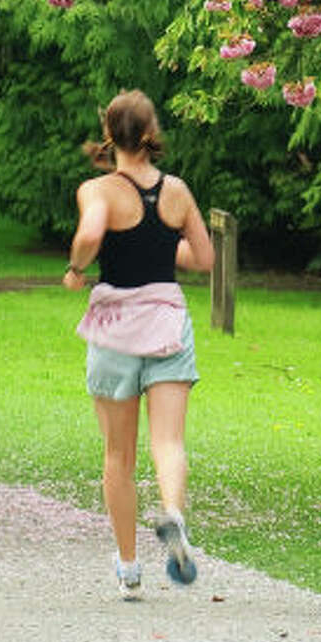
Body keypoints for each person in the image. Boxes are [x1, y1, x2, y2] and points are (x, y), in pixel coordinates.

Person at [63, 90, 215, 599]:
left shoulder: (98, 190)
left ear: (110, 134)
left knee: (117, 455)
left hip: (115, 327)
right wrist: (161, 243)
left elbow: (89, 236)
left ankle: (129, 568)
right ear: (151, 132)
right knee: (168, 442)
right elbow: (204, 258)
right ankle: (173, 511)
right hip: (166, 321)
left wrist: (76, 267)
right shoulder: (177, 191)